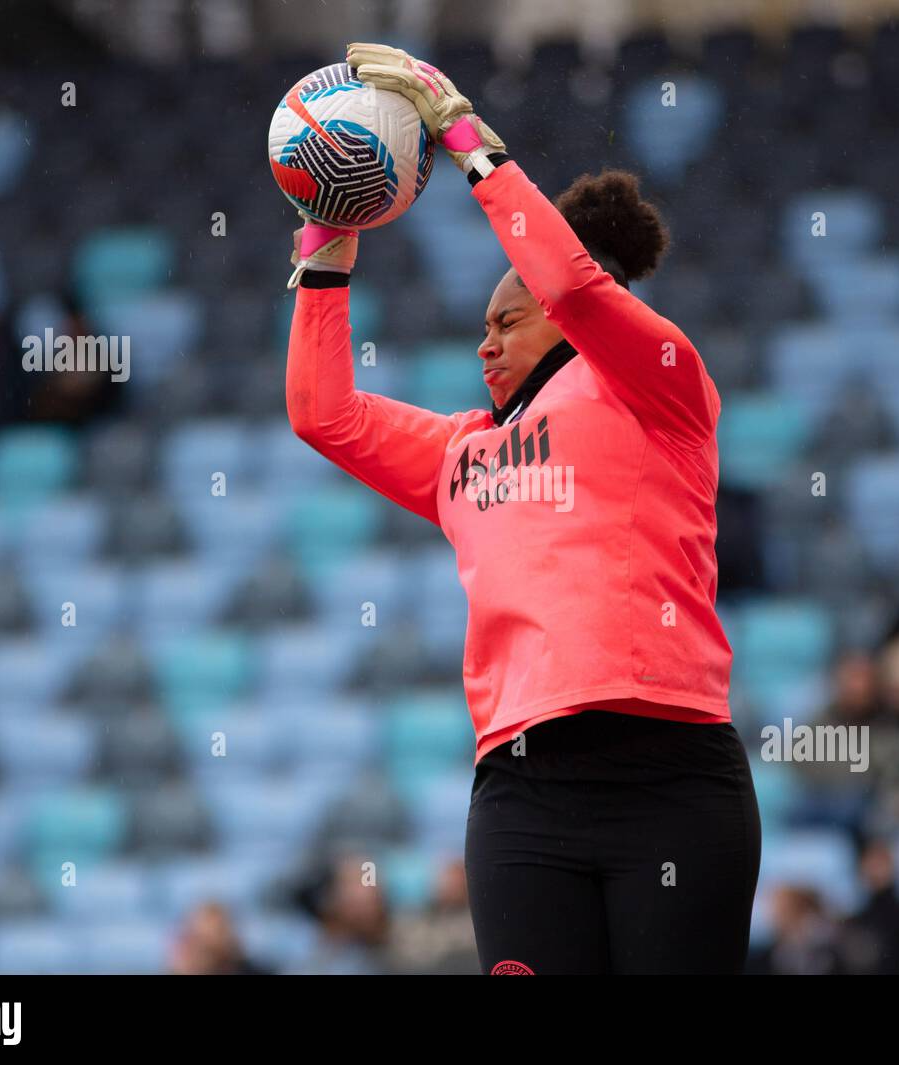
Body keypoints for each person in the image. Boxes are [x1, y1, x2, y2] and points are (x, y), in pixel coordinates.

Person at [284, 42, 760, 974]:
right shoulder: (463, 451)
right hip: (522, 795)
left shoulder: (662, 395)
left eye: (506, 320)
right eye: (480, 330)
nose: (484, 346)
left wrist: (464, 137)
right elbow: (322, 412)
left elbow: (577, 286)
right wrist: (325, 241)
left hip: (671, 780)